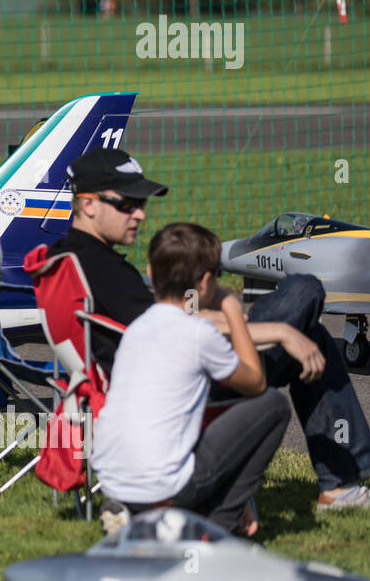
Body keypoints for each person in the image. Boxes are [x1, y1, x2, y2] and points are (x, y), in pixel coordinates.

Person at [50, 147, 370, 514]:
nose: (140, 214)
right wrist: (278, 330)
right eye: (128, 204)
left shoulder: (63, 259)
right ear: (88, 204)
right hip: (182, 390)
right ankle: (339, 487)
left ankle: (339, 487)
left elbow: (168, 322)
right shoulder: (100, 270)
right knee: (304, 291)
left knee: (314, 336)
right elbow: (174, 324)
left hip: (159, 383)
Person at [92, 222, 290, 534]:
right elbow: (255, 383)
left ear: (150, 273)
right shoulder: (198, 333)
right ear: (207, 281)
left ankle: (135, 513)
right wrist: (231, 308)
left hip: (112, 479)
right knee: (273, 405)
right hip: (162, 488)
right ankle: (213, 528)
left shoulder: (137, 329)